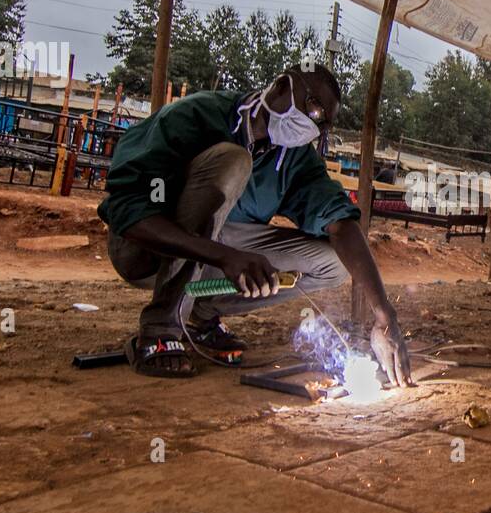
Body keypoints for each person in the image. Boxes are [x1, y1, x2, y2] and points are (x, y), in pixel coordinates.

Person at [97, 64, 413, 386]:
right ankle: (160, 330)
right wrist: (223, 256)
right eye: (314, 108)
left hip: (215, 255)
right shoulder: (197, 116)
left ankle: (201, 315)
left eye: (323, 124)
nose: (314, 127)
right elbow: (129, 214)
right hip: (145, 248)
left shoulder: (293, 158)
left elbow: (341, 225)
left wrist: (384, 314)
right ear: (280, 88)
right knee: (234, 161)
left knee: (332, 264)